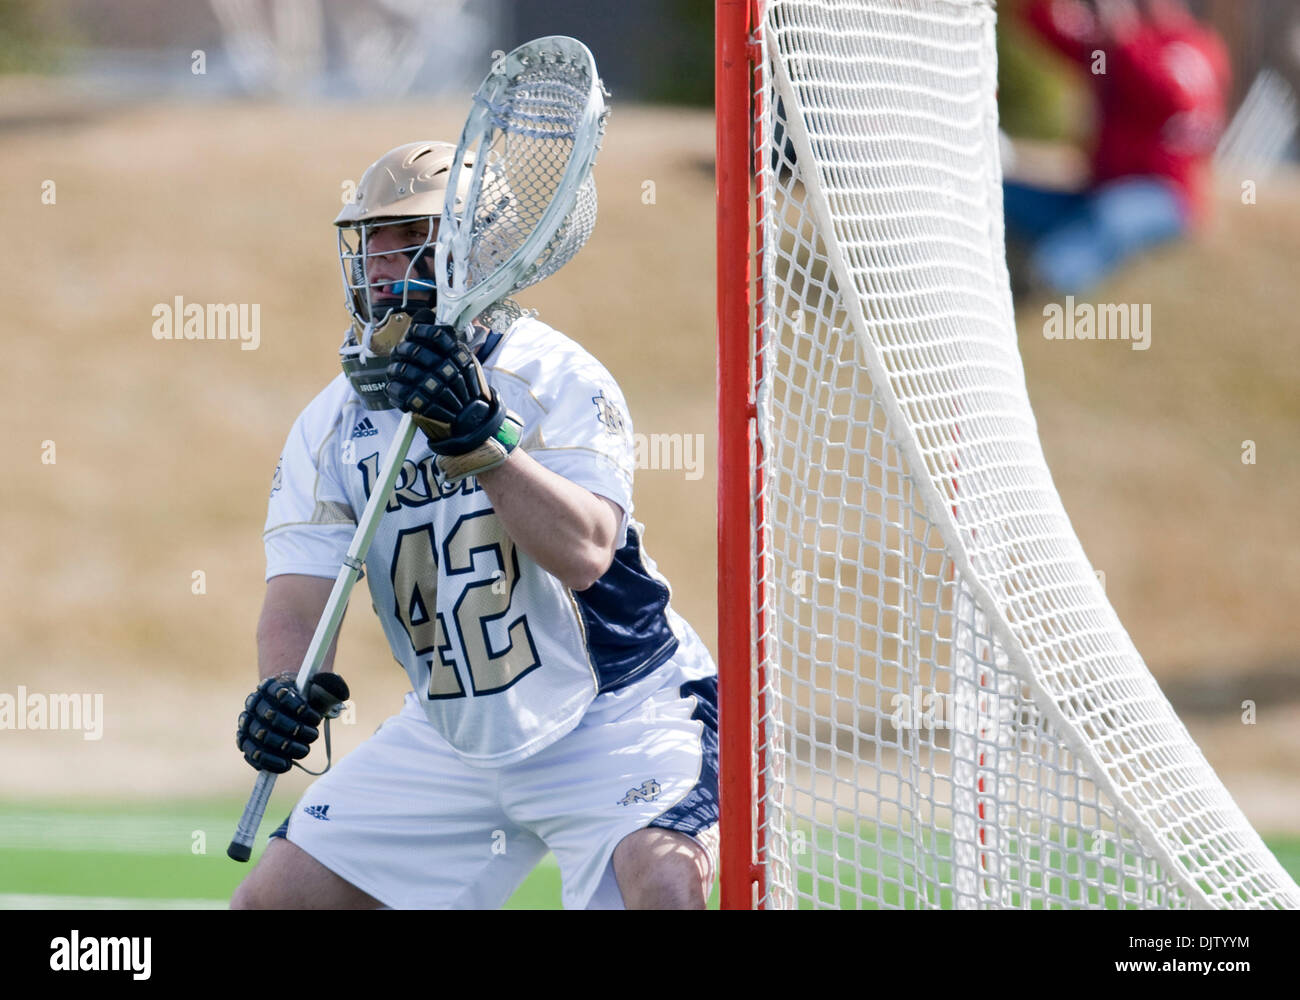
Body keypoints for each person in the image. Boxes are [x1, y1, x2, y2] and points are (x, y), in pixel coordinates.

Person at [229, 141, 719, 910]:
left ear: (477, 249)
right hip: (454, 733)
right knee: (275, 903)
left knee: (665, 885)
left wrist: (479, 445)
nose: (382, 267)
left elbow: (588, 550)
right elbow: (298, 599)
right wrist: (280, 689)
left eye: (408, 240)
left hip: (614, 712)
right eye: (372, 244)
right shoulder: (332, 423)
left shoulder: (553, 376)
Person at [1004, 0, 1231, 294]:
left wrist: (1123, 37)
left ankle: (1046, 276)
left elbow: (1170, 97)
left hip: (1164, 196)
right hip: (1097, 191)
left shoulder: (1194, 46)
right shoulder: (1113, 42)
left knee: (1111, 217)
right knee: (1006, 194)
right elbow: (1045, 23)